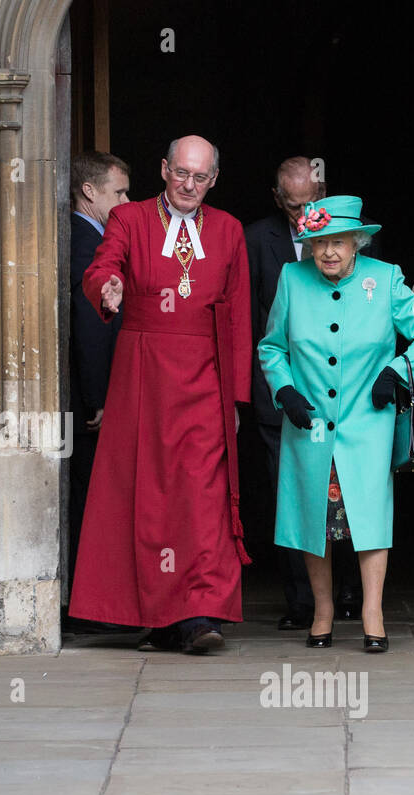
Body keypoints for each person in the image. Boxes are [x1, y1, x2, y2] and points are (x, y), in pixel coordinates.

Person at [69, 135, 253, 655]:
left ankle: (197, 613)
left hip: (206, 377)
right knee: (148, 495)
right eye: (181, 174)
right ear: (164, 170)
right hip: (144, 373)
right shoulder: (129, 220)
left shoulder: (230, 230)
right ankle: (157, 613)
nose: (189, 185)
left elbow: (238, 315)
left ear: (213, 180)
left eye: (200, 177)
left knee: (202, 497)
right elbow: (103, 264)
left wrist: (237, 398)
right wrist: (106, 287)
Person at [258, 195, 414, 652]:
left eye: (338, 243)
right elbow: (272, 347)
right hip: (310, 425)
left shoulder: (384, 280)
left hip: (367, 424)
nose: (327, 253)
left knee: (368, 517)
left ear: (357, 244)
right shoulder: (292, 278)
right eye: (318, 242)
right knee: (314, 518)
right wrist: (284, 390)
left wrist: (395, 372)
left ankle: (372, 612)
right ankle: (322, 611)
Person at [246, 157, 367, 630]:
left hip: (349, 400)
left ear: (324, 192)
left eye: (311, 203)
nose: (303, 216)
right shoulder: (256, 239)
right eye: (294, 206)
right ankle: (302, 603)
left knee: (350, 496)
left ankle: (352, 592)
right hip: (283, 398)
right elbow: (257, 326)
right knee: (294, 500)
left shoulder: (355, 239)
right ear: (279, 200)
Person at [66, 151, 130, 626]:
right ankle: (87, 609)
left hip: (88, 399)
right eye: (119, 193)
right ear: (90, 192)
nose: (126, 202)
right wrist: (100, 399)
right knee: (90, 500)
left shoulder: (92, 238)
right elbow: (91, 329)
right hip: (90, 404)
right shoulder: (87, 245)